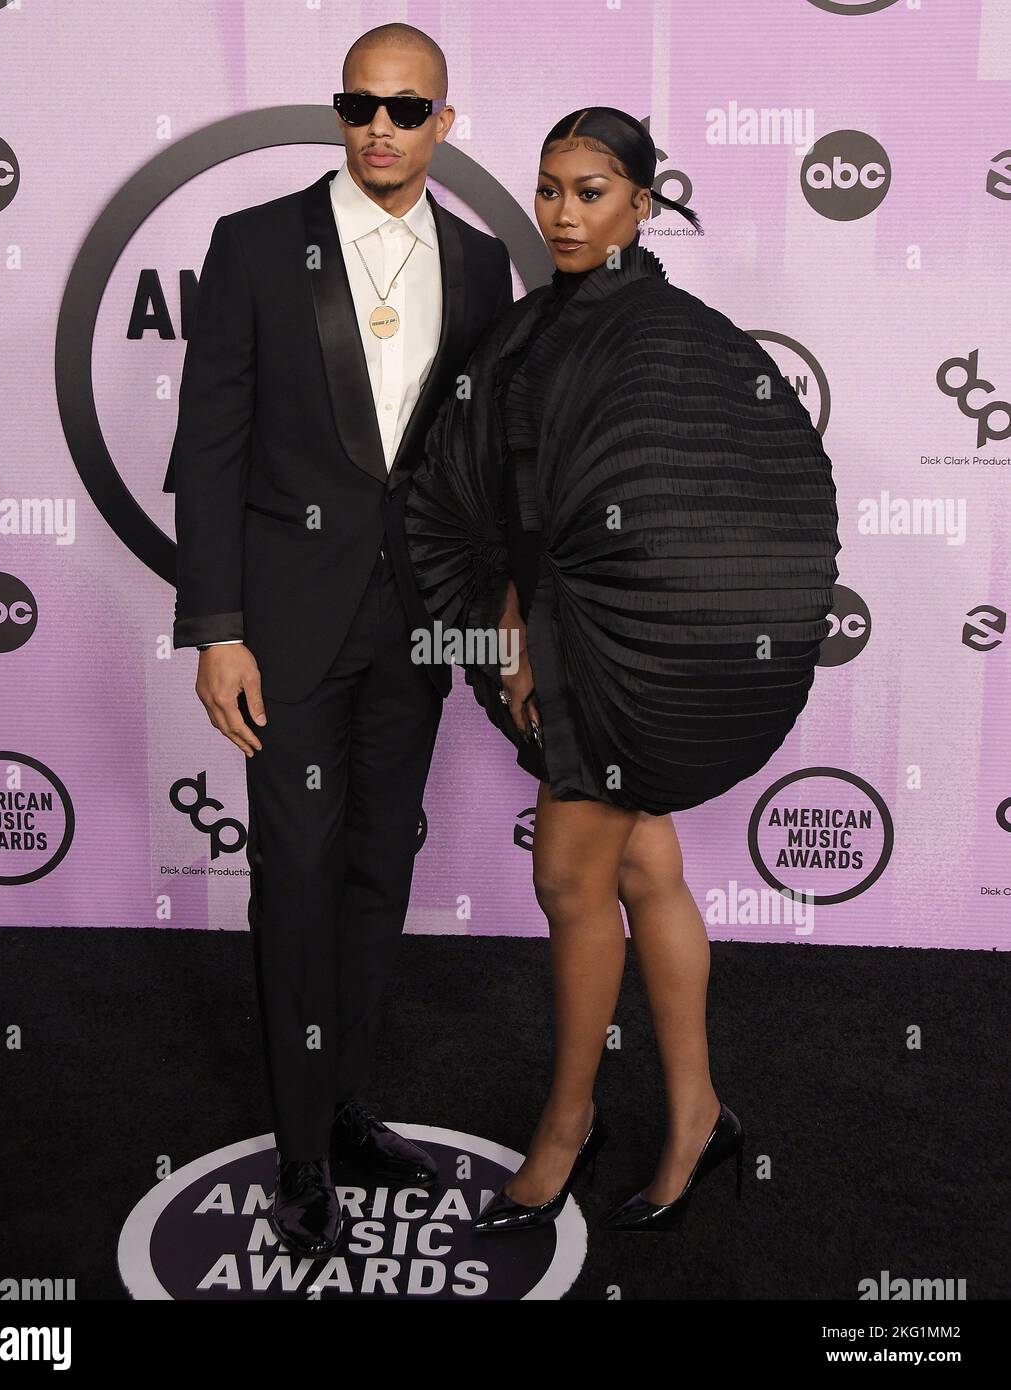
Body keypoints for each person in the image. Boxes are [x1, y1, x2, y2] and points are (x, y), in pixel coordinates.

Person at [405, 107, 841, 1233]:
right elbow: (496, 502)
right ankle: (695, 1111)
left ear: (642, 203)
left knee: (566, 882)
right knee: (644, 872)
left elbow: (703, 501)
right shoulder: (520, 328)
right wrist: (508, 627)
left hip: (621, 652)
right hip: (553, 631)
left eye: (590, 191)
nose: (561, 211)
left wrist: (571, 636)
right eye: (548, 188)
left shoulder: (673, 334)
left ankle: (565, 1127)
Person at [163, 24, 513, 1256]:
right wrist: (215, 630)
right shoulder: (255, 244)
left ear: (442, 125)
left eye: (405, 109)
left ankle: (353, 1102)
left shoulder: (478, 269)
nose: (379, 126)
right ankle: (301, 1144)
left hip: (413, 628)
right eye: (359, 103)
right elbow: (205, 449)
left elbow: (474, 466)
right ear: (338, 111)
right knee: (293, 881)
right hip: (288, 628)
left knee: (377, 872)